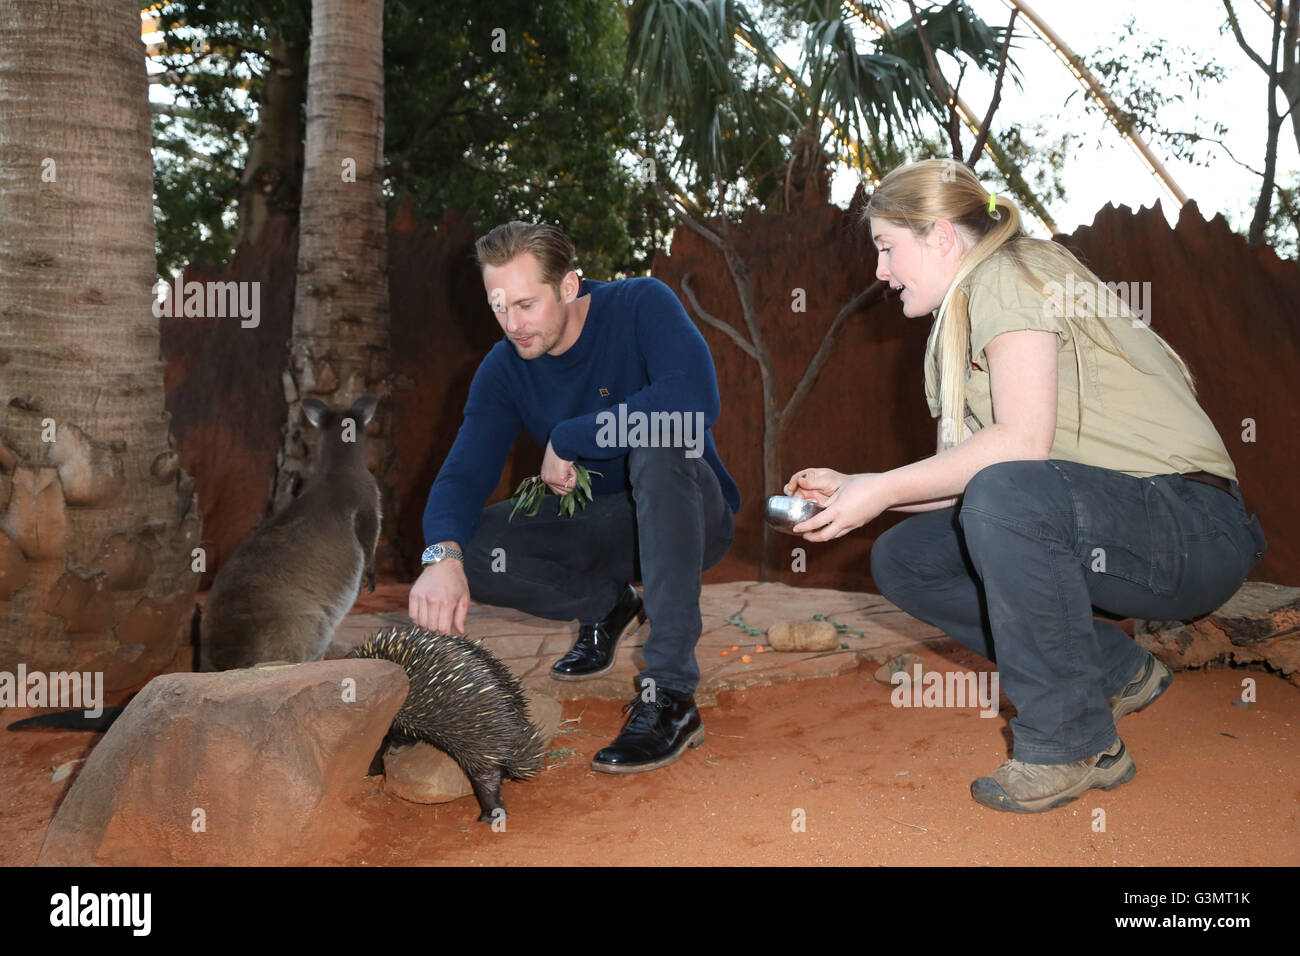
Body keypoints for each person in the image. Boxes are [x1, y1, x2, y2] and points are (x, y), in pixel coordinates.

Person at [784, 158, 1267, 813]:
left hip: (1191, 526)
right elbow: (966, 485)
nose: (880, 271)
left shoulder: (1005, 276)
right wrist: (859, 489)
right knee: (906, 557)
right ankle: (1114, 671)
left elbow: (1018, 448)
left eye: (887, 248)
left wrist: (880, 486)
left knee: (1008, 494)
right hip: (1114, 526)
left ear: (941, 238)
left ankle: (1071, 742)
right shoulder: (954, 330)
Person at [409, 221, 738, 774]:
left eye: (526, 304)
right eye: (498, 307)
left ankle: (671, 698)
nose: (513, 325)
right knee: (474, 544)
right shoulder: (504, 368)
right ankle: (607, 606)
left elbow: (693, 401)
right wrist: (441, 554)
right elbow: (463, 475)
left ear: (568, 287)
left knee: (658, 446)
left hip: (690, 511)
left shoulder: (640, 304)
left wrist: (571, 435)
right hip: (600, 526)